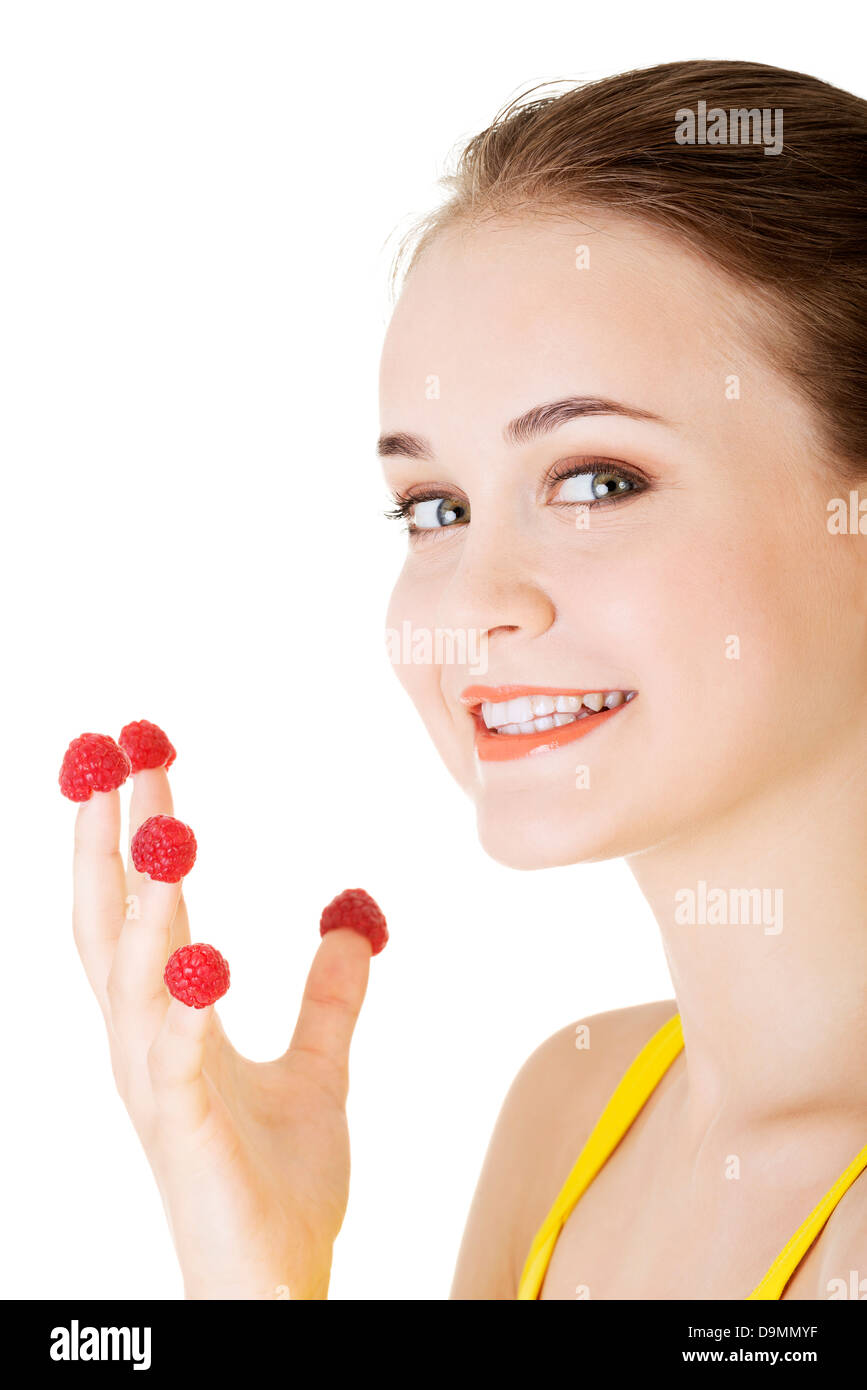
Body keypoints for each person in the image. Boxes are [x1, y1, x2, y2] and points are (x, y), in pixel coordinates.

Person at [71, 58, 867, 1300]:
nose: (472, 606)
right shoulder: (574, 1104)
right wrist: (254, 1279)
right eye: (432, 506)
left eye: (598, 479)